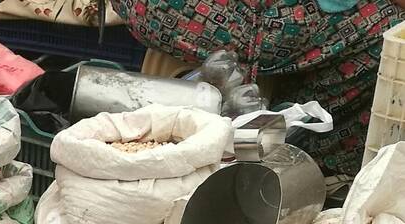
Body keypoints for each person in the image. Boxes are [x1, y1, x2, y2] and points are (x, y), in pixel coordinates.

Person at [114, 0, 405, 179]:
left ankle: (287, 129)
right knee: (390, 35)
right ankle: (303, 152)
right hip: (182, 10)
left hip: (151, 10)